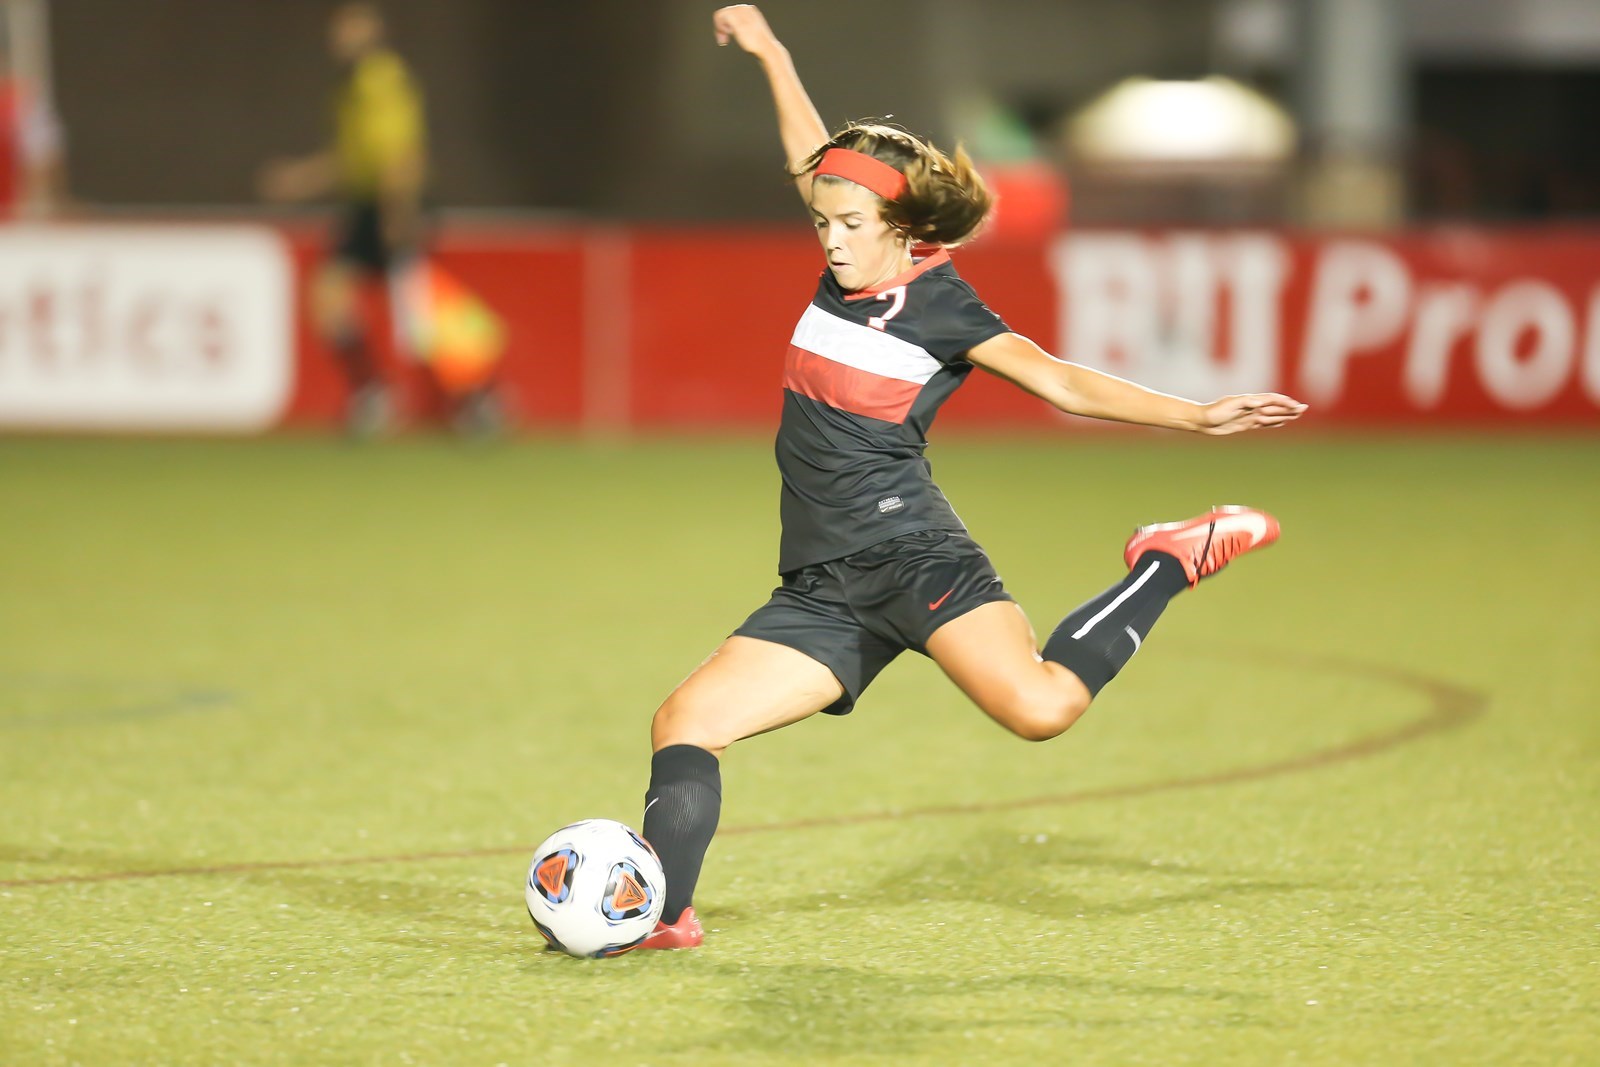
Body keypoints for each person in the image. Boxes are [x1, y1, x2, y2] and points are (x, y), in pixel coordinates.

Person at [634, 5, 1308, 952]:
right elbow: (810, 156)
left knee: (1041, 708)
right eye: (824, 220)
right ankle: (663, 917)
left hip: (915, 557)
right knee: (686, 719)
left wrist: (1196, 414)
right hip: (825, 586)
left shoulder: (941, 305)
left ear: (903, 227)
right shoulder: (845, 267)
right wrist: (773, 53)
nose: (829, 239)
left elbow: (1062, 381)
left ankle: (1165, 560)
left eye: (851, 223)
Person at [260, 3, 499, 437]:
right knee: (330, 294)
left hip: (395, 204)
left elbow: (400, 153)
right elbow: (351, 158)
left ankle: (480, 395)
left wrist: (398, 213)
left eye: (349, 27)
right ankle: (372, 393)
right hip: (368, 203)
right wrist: (298, 180)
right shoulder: (348, 87)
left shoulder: (380, 80)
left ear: (372, 30)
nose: (339, 36)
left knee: (419, 311)